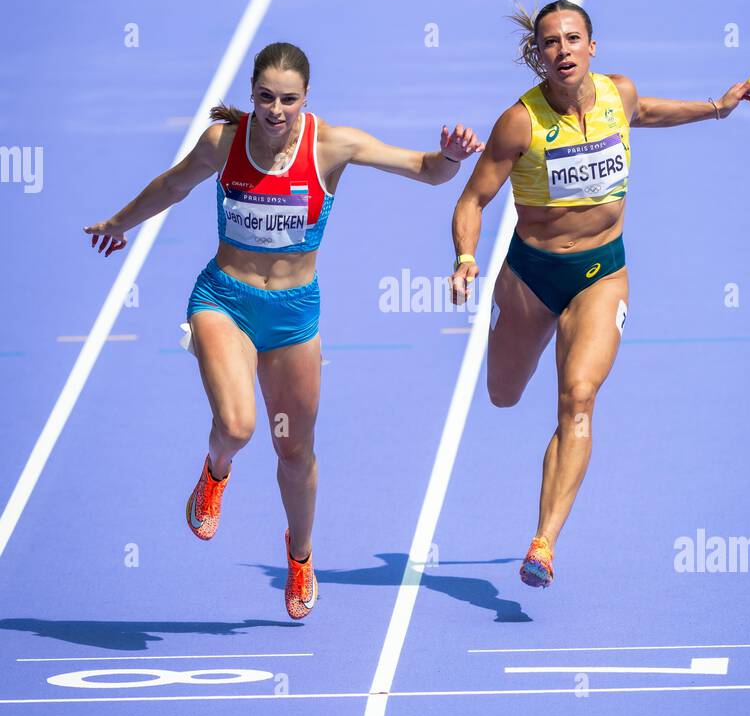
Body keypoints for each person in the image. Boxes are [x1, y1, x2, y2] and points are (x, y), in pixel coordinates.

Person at [84, 41, 484, 619]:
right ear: (251, 96)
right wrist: (120, 224)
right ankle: (215, 471)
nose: (276, 111)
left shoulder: (332, 145)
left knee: (294, 451)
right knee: (239, 424)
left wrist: (449, 157)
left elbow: (426, 171)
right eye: (266, 98)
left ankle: (299, 556)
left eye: (288, 100)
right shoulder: (225, 143)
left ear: (306, 99)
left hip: (294, 316)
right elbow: (173, 185)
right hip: (225, 300)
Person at [449, 0, 750, 589]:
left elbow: (647, 112)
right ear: (537, 56)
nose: (563, 49)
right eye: (550, 42)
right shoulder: (520, 122)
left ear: (592, 47)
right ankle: (524, 349)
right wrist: (467, 257)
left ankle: (543, 543)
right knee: (502, 394)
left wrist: (716, 109)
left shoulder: (617, 94)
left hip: (601, 274)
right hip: (530, 277)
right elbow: (471, 201)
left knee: (578, 397)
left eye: (573, 38)